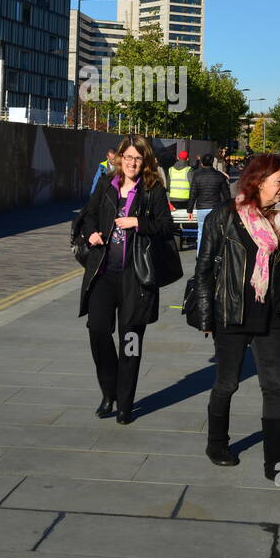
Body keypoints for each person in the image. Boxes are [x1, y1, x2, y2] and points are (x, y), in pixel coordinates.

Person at [193, 153, 280, 485]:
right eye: (279, 181)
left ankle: (276, 464)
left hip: (272, 314)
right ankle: (217, 444)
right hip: (232, 312)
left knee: (275, 387)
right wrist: (206, 315)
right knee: (227, 383)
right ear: (258, 181)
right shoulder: (224, 217)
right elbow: (204, 268)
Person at [78, 134, 174, 424]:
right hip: (103, 273)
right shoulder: (107, 184)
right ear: (119, 158)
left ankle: (125, 404)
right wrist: (90, 233)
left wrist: (138, 222)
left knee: (130, 340)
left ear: (145, 161)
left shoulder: (153, 189)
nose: (132, 162)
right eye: (128, 156)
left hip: (135, 276)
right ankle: (109, 391)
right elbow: (88, 215)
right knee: (97, 330)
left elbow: (166, 226)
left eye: (138, 158)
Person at [187, 153, 231, 253]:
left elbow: (193, 194)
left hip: (201, 208)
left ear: (202, 163)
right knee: (215, 232)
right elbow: (226, 194)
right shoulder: (219, 176)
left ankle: (200, 254)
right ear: (212, 162)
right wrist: (229, 208)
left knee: (201, 231)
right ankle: (214, 254)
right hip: (215, 208)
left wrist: (189, 210)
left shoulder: (197, 176)